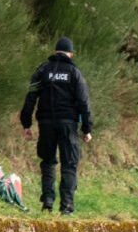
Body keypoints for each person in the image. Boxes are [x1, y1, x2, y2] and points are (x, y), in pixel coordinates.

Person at [19, 36, 93, 215]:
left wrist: (26, 124)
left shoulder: (42, 70)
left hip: (46, 124)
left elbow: (30, 98)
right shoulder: (74, 73)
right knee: (69, 164)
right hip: (68, 124)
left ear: (55, 52)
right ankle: (66, 208)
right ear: (71, 54)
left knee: (47, 162)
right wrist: (87, 129)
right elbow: (83, 102)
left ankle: (47, 204)